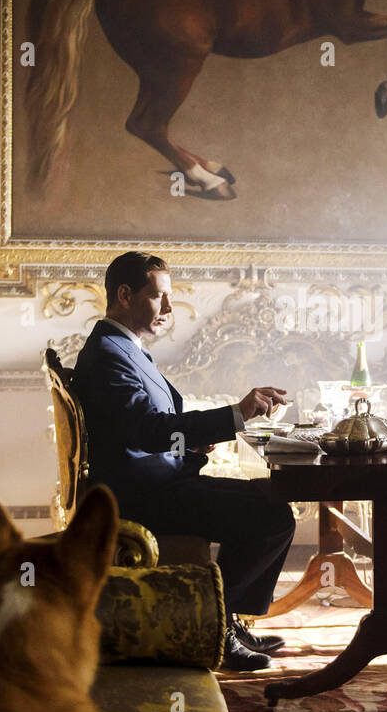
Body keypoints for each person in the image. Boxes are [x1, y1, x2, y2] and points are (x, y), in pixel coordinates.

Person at [72, 251, 296, 671]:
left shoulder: (122, 346)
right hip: (143, 497)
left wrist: (188, 447)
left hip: (154, 481)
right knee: (272, 515)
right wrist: (236, 414)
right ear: (124, 294)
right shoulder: (108, 354)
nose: (170, 309)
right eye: (160, 297)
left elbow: (136, 432)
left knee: (270, 500)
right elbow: (149, 430)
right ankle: (213, 625)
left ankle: (224, 619)